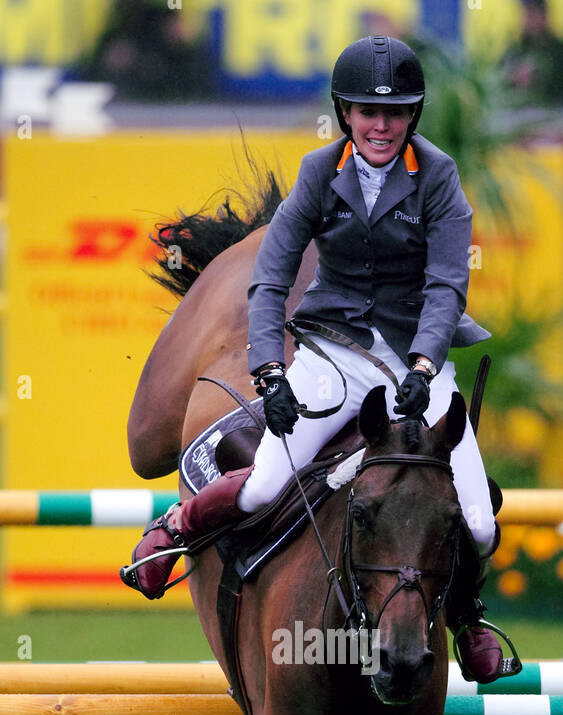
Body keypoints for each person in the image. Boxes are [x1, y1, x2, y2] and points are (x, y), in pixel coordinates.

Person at [172, 34, 507, 682]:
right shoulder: (318, 172)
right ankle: (176, 528)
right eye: (366, 112)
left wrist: (423, 365)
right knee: (267, 483)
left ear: (413, 115)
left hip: (417, 365)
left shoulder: (438, 176)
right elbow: (270, 281)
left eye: (394, 112)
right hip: (333, 356)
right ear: (345, 112)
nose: (380, 125)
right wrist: (270, 369)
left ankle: (467, 619)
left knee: (481, 524)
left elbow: (445, 285)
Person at [500, 0, 563, 107]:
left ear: (544, 16)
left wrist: (536, 74)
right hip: (520, 110)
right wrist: (513, 77)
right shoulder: (516, 48)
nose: (529, 20)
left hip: (552, 111)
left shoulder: (560, 49)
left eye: (533, 14)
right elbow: (497, 79)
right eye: (526, 14)